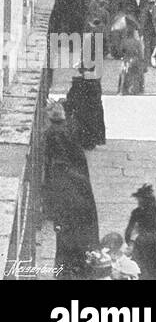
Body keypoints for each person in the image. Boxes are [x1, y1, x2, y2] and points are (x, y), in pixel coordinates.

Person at [44, 102, 100, 278]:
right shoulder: (68, 131)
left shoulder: (53, 134)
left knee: (67, 238)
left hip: (68, 197)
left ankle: (67, 271)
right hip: (80, 192)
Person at [124, 185, 156, 281]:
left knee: (142, 268)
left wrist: (130, 243)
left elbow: (128, 231)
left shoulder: (136, 212)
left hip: (142, 241)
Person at [66, 67, 106, 148]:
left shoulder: (81, 82)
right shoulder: (94, 81)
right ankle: (91, 141)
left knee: (86, 121)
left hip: (85, 108)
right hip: (91, 107)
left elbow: (72, 97)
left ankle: (87, 140)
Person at [120, 26, 146, 95]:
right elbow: (140, 52)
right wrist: (142, 60)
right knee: (136, 75)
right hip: (135, 59)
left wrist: (123, 55)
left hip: (126, 59)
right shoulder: (137, 42)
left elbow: (121, 51)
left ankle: (123, 90)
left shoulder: (124, 41)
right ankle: (135, 90)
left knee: (124, 75)